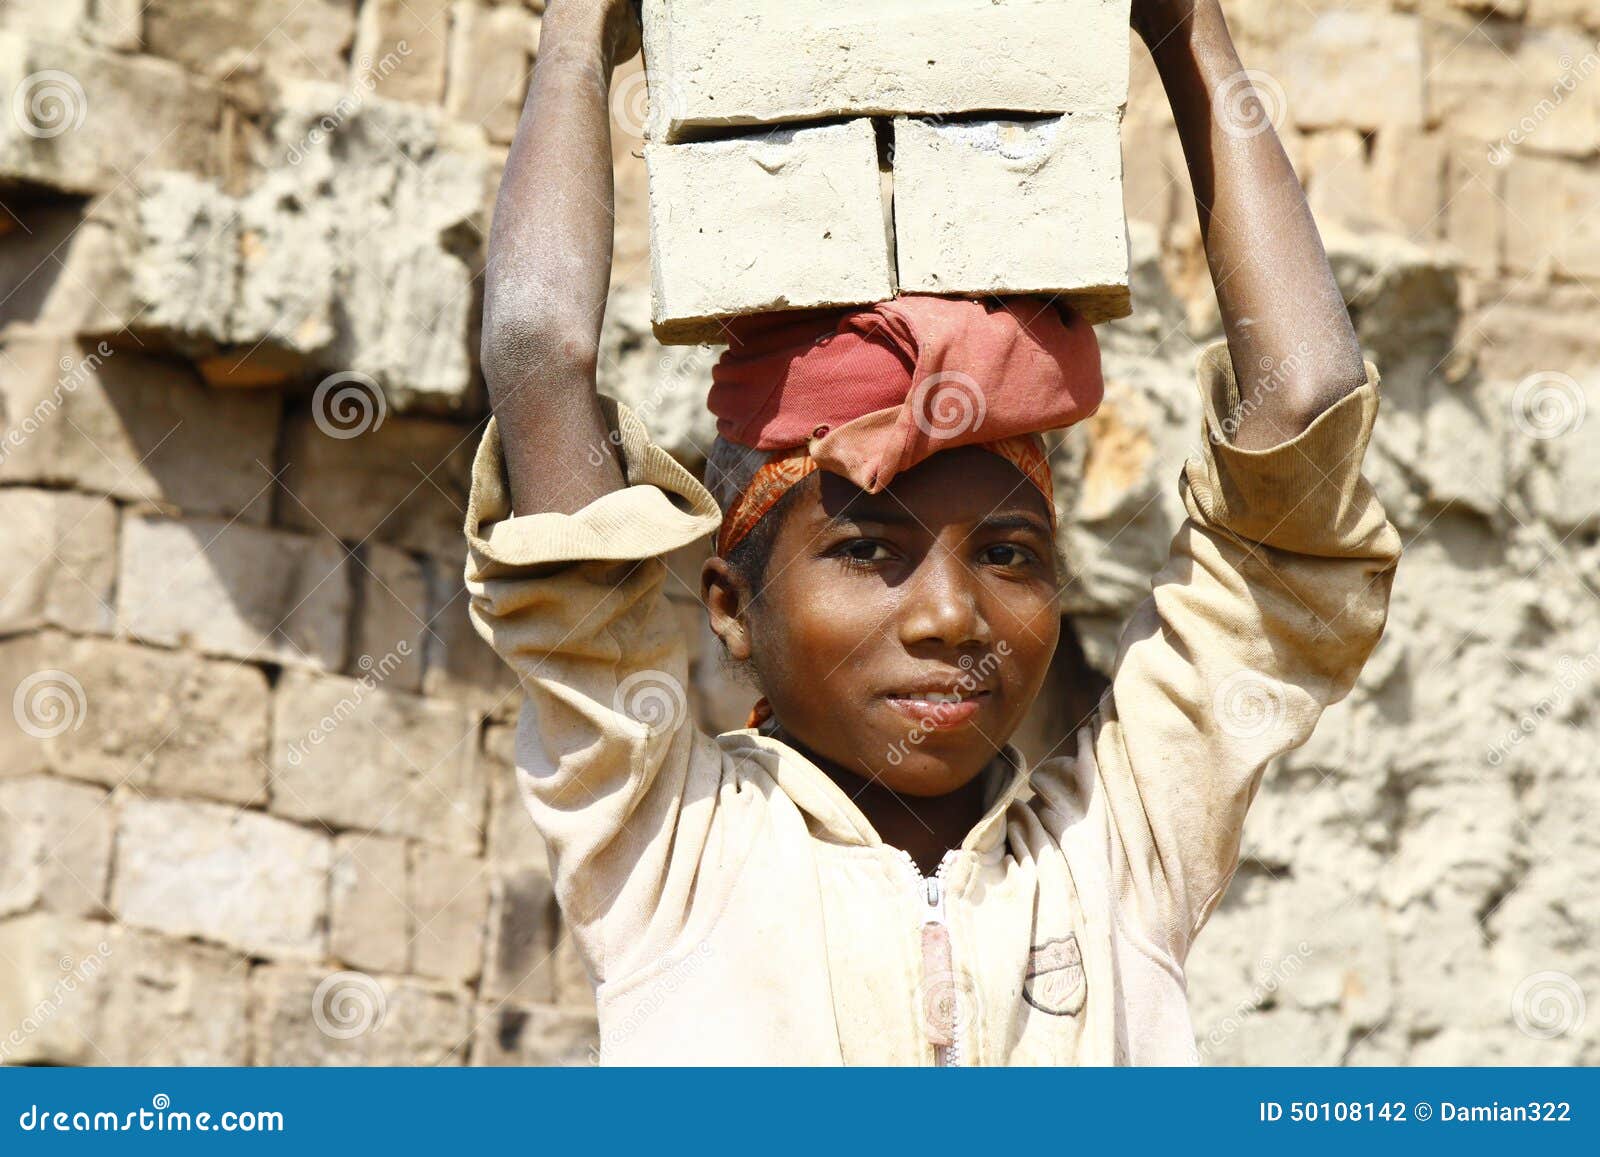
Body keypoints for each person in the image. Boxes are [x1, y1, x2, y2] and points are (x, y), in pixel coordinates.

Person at [470, 0, 1403, 1064]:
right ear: (730, 606)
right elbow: (539, 360)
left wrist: (1188, 36)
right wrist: (577, 36)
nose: (954, 616)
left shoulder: (1117, 850)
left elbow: (1306, 401)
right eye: (868, 549)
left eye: (1008, 554)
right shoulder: (667, 845)